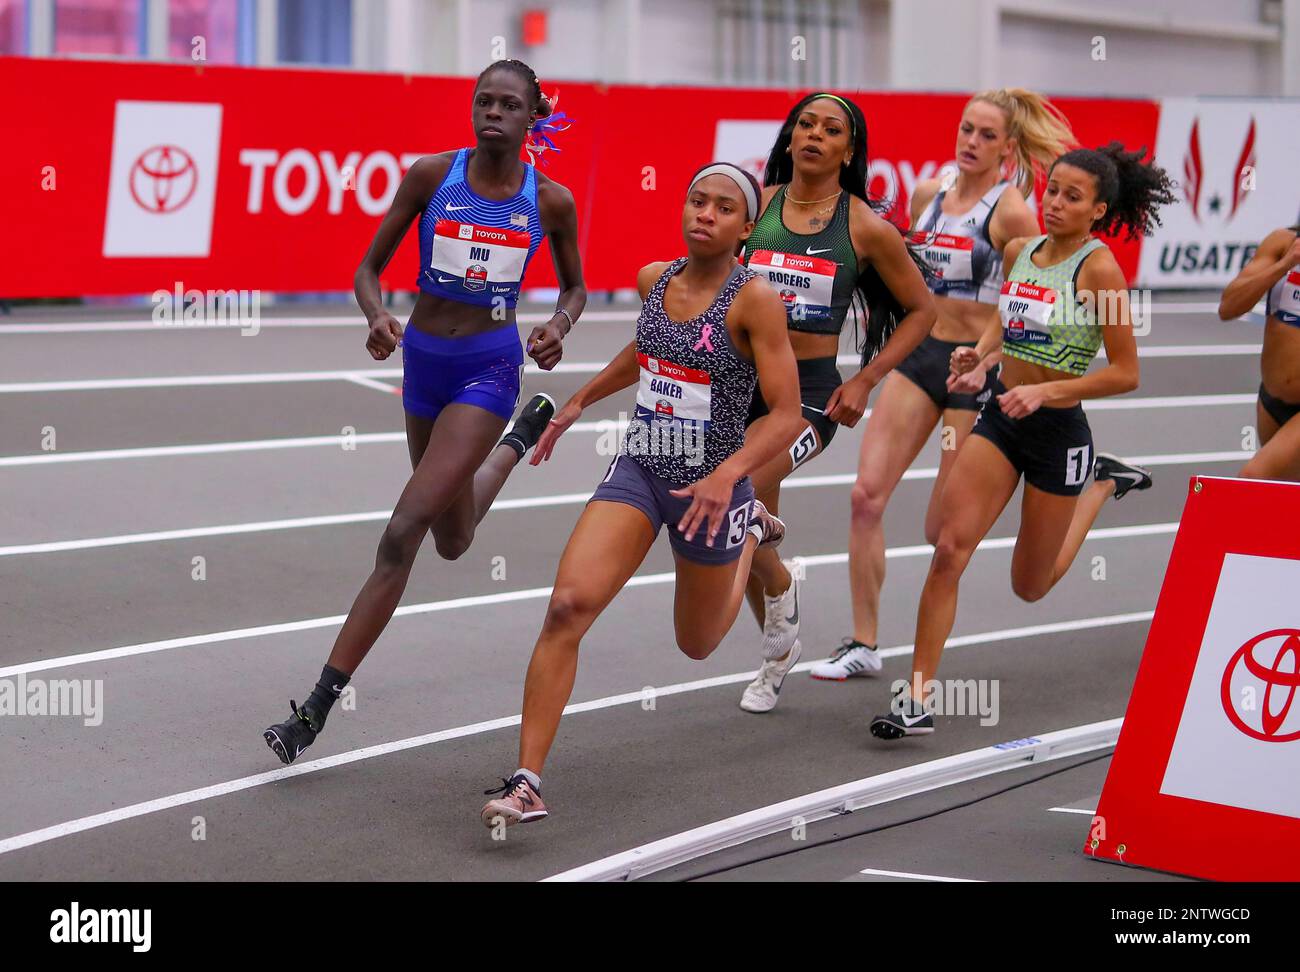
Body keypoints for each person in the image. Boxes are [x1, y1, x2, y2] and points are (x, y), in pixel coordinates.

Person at [263, 58, 586, 765]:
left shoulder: (549, 200)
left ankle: (314, 708)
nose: (492, 113)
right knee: (452, 538)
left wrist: (559, 327)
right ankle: (516, 442)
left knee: (402, 533)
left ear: (534, 118)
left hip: (489, 370)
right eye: (482, 101)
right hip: (423, 365)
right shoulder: (431, 176)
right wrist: (377, 315)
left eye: (508, 105)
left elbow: (575, 289)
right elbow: (366, 270)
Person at [479, 162, 802, 827]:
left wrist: (726, 476)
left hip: (712, 487)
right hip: (643, 465)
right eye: (694, 201)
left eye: (720, 207)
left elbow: (789, 413)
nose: (703, 214)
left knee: (698, 643)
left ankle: (746, 530)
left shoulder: (755, 300)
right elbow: (647, 349)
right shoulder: (657, 279)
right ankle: (527, 781)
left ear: (746, 227)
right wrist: (580, 401)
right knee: (568, 606)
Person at [870, 142, 1174, 739]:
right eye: (1052, 191)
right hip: (1001, 419)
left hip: (1059, 433)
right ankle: (917, 698)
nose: (1056, 204)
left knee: (1029, 586)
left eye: (1072, 197)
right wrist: (979, 358)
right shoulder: (1019, 251)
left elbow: (1125, 372)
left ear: (1098, 209)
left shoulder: (1098, 269)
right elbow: (1003, 319)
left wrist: (1045, 393)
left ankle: (1103, 481)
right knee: (949, 550)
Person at [819, 89, 1071, 681]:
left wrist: (986, 359)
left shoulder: (1011, 215)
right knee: (864, 498)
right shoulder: (929, 195)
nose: (971, 142)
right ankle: (863, 641)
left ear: (1008, 147)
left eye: (986, 135)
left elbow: (1029, 305)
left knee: (940, 530)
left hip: (972, 373)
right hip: (920, 358)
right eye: (966, 129)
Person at [734, 92, 936, 714]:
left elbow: (923, 311)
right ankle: (780, 612)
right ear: (790, 137)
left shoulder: (864, 227)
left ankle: (778, 625)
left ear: (850, 150)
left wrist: (866, 379)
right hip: (739, 384)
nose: (815, 134)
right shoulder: (756, 206)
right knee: (744, 520)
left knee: (737, 491)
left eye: (832, 129)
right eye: (806, 124)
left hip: (812, 395)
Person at [1218, 223, 1300, 481]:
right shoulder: (1283, 243)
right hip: (1271, 402)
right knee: (1285, 499)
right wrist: (1286, 264)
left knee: (1253, 480)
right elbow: (1228, 308)